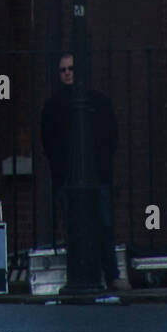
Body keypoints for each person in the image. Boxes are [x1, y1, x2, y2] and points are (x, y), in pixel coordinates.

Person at [40, 52, 120, 290]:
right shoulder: (53, 106)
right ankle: (78, 275)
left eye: (71, 69)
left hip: (98, 176)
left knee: (104, 226)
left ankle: (111, 274)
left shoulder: (99, 102)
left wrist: (100, 165)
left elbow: (110, 138)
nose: (67, 73)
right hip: (67, 178)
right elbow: (49, 142)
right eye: (63, 70)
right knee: (73, 229)